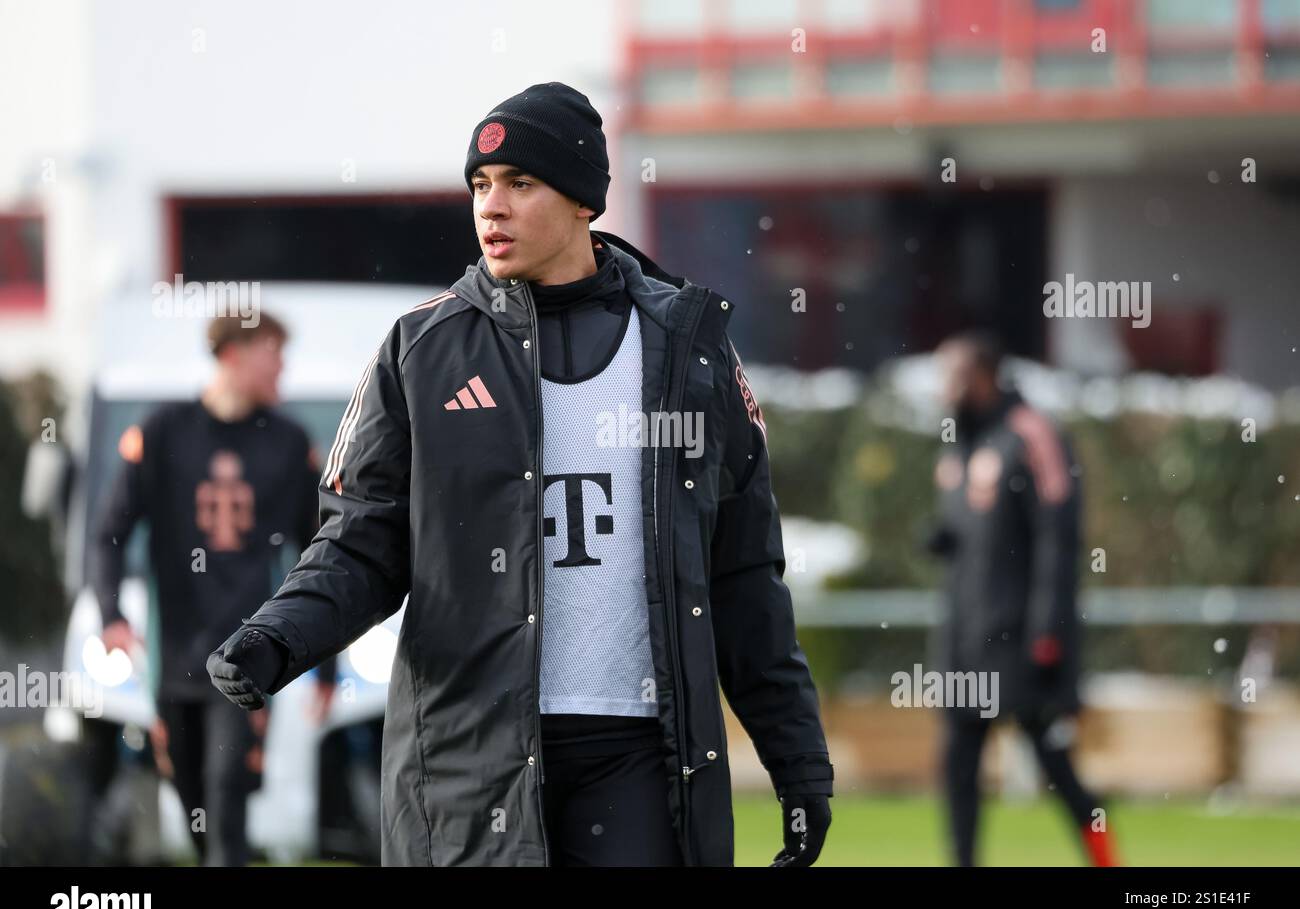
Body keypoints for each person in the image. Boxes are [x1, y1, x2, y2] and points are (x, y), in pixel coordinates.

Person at [207, 81, 834, 867]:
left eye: (520, 183)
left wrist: (799, 766)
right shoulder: (420, 350)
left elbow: (744, 576)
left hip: (641, 759)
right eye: (479, 185)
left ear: (584, 202)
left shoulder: (690, 352)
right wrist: (277, 637)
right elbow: (361, 543)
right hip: (474, 759)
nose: (490, 207)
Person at [92, 310, 336, 866]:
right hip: (174, 658)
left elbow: (321, 557)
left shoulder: (288, 440)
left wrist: (328, 662)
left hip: (247, 655)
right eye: (271, 352)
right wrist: (110, 613)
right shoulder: (161, 434)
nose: (282, 366)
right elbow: (108, 532)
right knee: (193, 799)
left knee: (227, 800)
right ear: (232, 355)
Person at [925, 330, 1118, 867]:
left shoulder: (1032, 433)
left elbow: (1058, 538)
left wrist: (1048, 633)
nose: (944, 390)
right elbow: (976, 530)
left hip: (1023, 639)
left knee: (1055, 764)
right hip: (967, 639)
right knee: (958, 763)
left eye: (953, 377)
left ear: (983, 376)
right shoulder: (962, 439)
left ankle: (1109, 862)